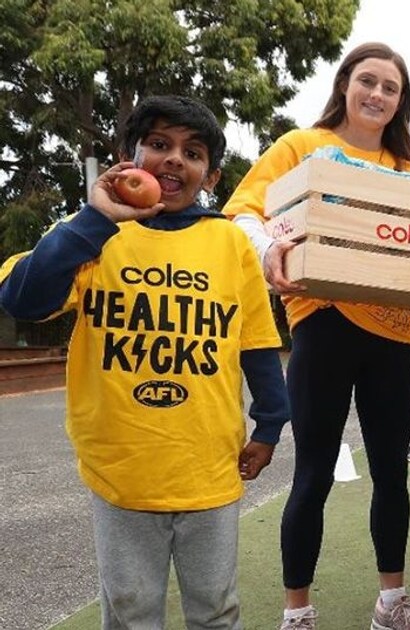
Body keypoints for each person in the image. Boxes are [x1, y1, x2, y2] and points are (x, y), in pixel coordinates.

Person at [0, 95, 288, 629]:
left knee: (216, 610)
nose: (175, 158)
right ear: (128, 157)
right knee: (131, 612)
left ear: (212, 174)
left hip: (207, 464)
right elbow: (22, 298)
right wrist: (94, 219)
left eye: (192, 151)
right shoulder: (90, 233)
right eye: (159, 144)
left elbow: (256, 342)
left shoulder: (230, 242)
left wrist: (270, 423)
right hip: (121, 466)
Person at [220, 42, 410, 630]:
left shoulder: (407, 171)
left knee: (393, 470)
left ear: (400, 102)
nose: (377, 95)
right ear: (345, 84)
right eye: (368, 81)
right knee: (312, 471)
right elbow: (242, 212)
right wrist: (269, 252)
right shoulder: (300, 146)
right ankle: (298, 613)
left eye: (390, 88)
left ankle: (391, 604)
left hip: (393, 335)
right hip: (321, 323)